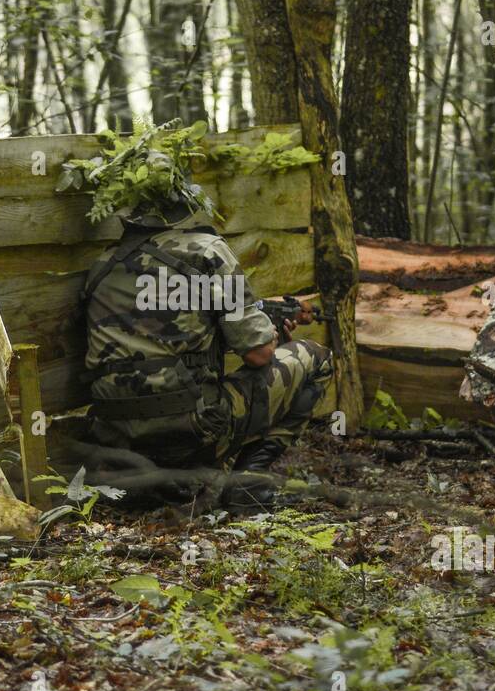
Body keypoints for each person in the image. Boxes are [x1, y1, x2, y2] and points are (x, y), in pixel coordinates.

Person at [82, 197, 334, 496]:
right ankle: (247, 486)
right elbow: (259, 353)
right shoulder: (207, 251)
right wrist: (273, 332)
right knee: (317, 358)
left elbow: (164, 335)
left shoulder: (105, 262)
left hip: (114, 434)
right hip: (191, 432)